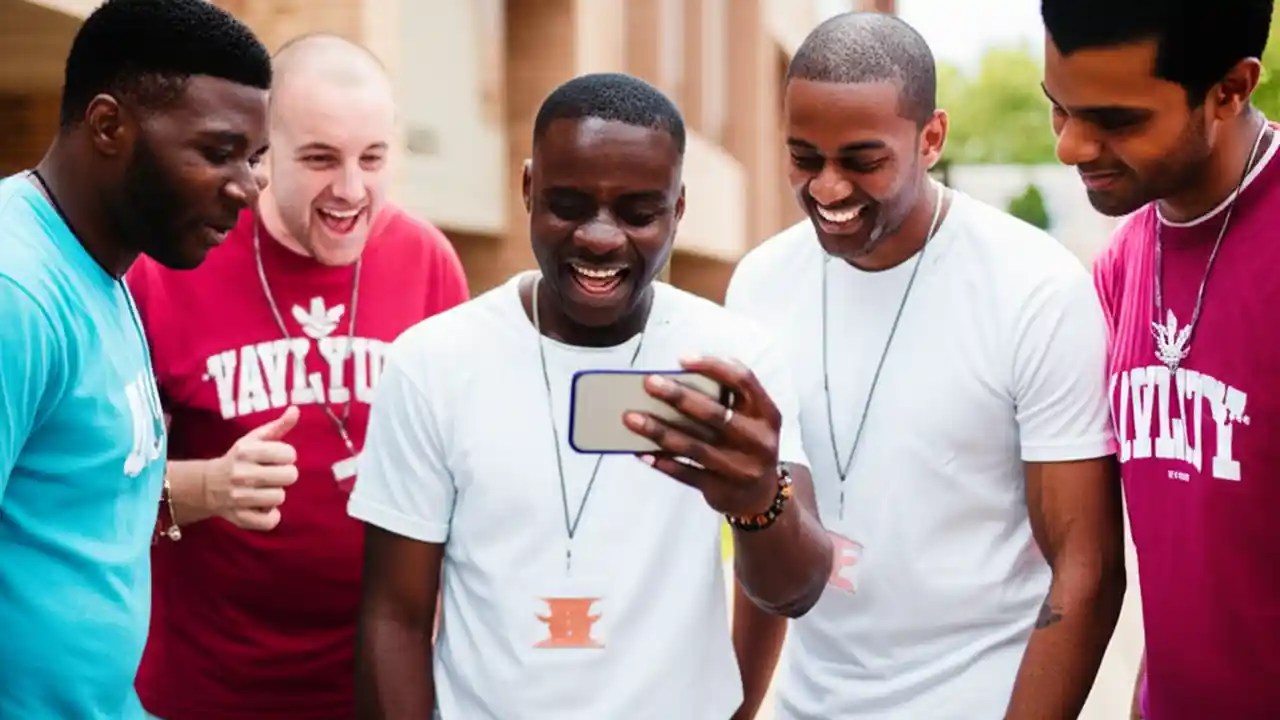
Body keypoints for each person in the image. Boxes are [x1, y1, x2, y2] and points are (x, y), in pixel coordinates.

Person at [347, 72, 832, 720]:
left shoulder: (735, 360)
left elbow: (793, 592)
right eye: (569, 205)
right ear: (527, 188)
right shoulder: (434, 361)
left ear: (678, 208)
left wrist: (757, 500)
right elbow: (395, 616)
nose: (600, 238)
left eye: (638, 213)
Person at [726, 12, 1128, 720]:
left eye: (861, 160)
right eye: (803, 157)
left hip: (983, 697)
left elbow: (1086, 572)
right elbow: (766, 531)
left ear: (931, 138)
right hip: (807, 702)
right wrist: (736, 706)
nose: (826, 189)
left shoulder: (1035, 288)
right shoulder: (760, 284)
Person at [125, 34, 469, 720]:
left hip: (384, 687)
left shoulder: (428, 262)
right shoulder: (168, 267)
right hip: (204, 693)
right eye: (319, 159)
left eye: (372, 159)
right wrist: (206, 486)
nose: (350, 189)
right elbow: (89, 484)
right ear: (263, 154)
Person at [0, 1, 271, 718]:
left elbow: (73, 500)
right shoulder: (15, 289)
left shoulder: (105, 272)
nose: (248, 188)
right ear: (109, 126)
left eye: (256, 157)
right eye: (218, 152)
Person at [1041, 1, 1279, 717]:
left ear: (1230, 89)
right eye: (1058, 108)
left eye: (1115, 120)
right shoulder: (1120, 263)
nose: (1071, 147)